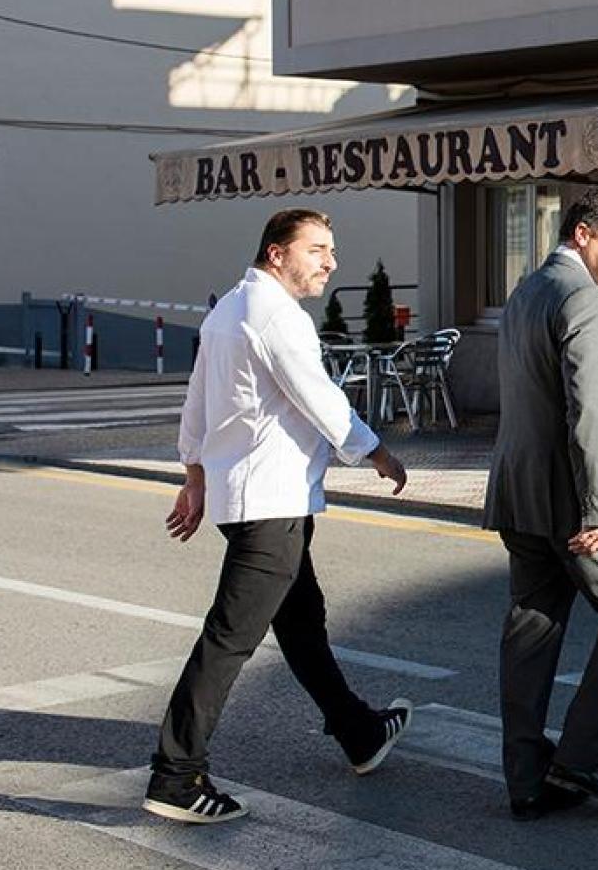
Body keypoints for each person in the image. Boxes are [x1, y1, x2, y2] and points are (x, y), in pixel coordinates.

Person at [144, 208, 414, 824]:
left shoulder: (230, 309)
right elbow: (320, 398)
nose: (331, 262)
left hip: (257, 500)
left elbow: (197, 400)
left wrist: (194, 475)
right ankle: (175, 775)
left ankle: (360, 732)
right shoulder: (275, 317)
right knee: (229, 639)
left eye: (333, 250)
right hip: (271, 503)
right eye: (317, 249)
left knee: (302, 625)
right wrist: (375, 451)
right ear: (276, 254)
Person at [483, 187, 598, 821]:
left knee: (533, 625)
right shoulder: (582, 296)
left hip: (519, 492)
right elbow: (591, 413)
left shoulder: (527, 290)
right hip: (575, 499)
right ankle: (584, 758)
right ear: (583, 234)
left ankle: (526, 779)